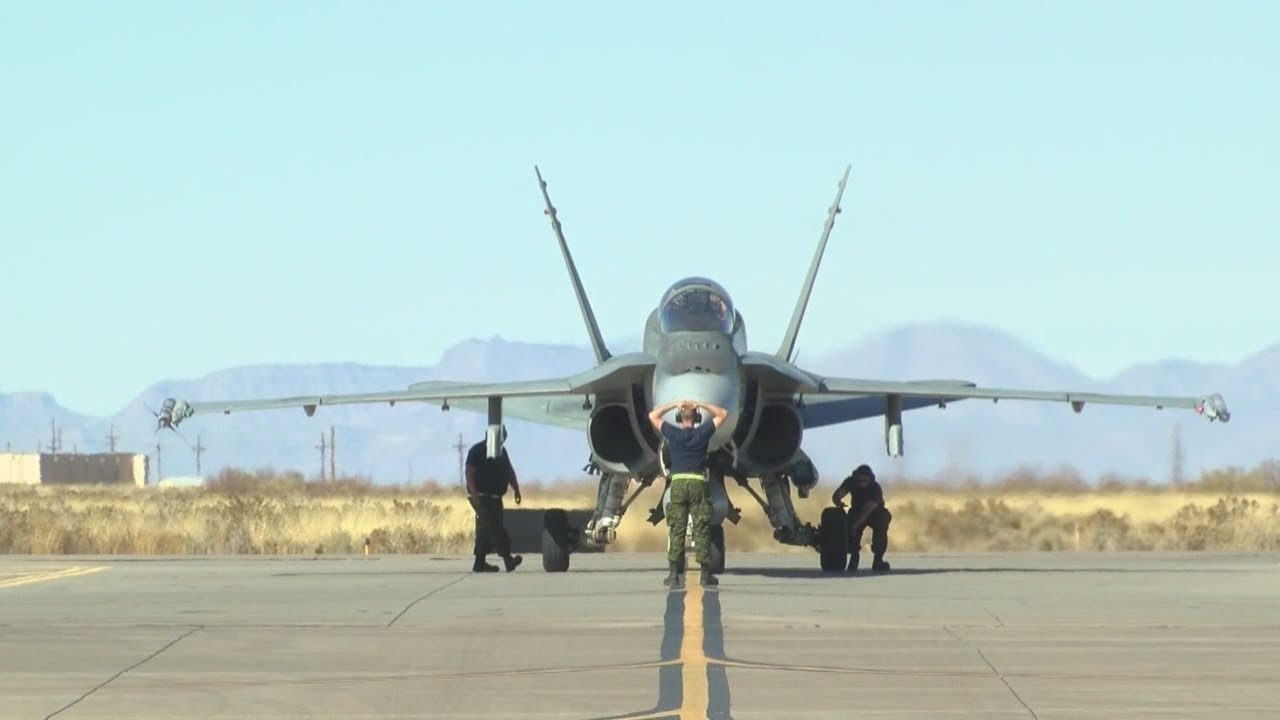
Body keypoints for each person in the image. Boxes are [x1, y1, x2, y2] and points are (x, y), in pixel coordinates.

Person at [648, 398, 728, 588]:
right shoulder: (703, 433)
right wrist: (702, 404)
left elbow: (652, 416)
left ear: (679, 418)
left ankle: (674, 575)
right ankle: (705, 575)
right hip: (698, 484)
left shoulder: (672, 433)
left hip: (677, 484)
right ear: (697, 418)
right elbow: (722, 414)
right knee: (701, 528)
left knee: (677, 529)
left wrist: (674, 404)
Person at [465, 425, 523, 573]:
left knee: (484, 531)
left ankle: (479, 563)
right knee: (496, 528)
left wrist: (516, 489)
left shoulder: (502, 452)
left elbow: (509, 471)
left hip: (496, 498)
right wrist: (474, 494)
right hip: (482, 498)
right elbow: (470, 473)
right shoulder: (476, 450)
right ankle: (507, 559)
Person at [830, 463, 892, 572]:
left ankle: (878, 560)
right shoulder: (851, 482)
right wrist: (838, 502)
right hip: (857, 510)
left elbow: (867, 510)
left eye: (864, 481)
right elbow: (838, 494)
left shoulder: (875, 488)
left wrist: (855, 525)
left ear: (870, 480)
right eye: (859, 481)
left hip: (875, 513)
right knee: (850, 531)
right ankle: (854, 559)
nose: (861, 483)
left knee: (881, 526)